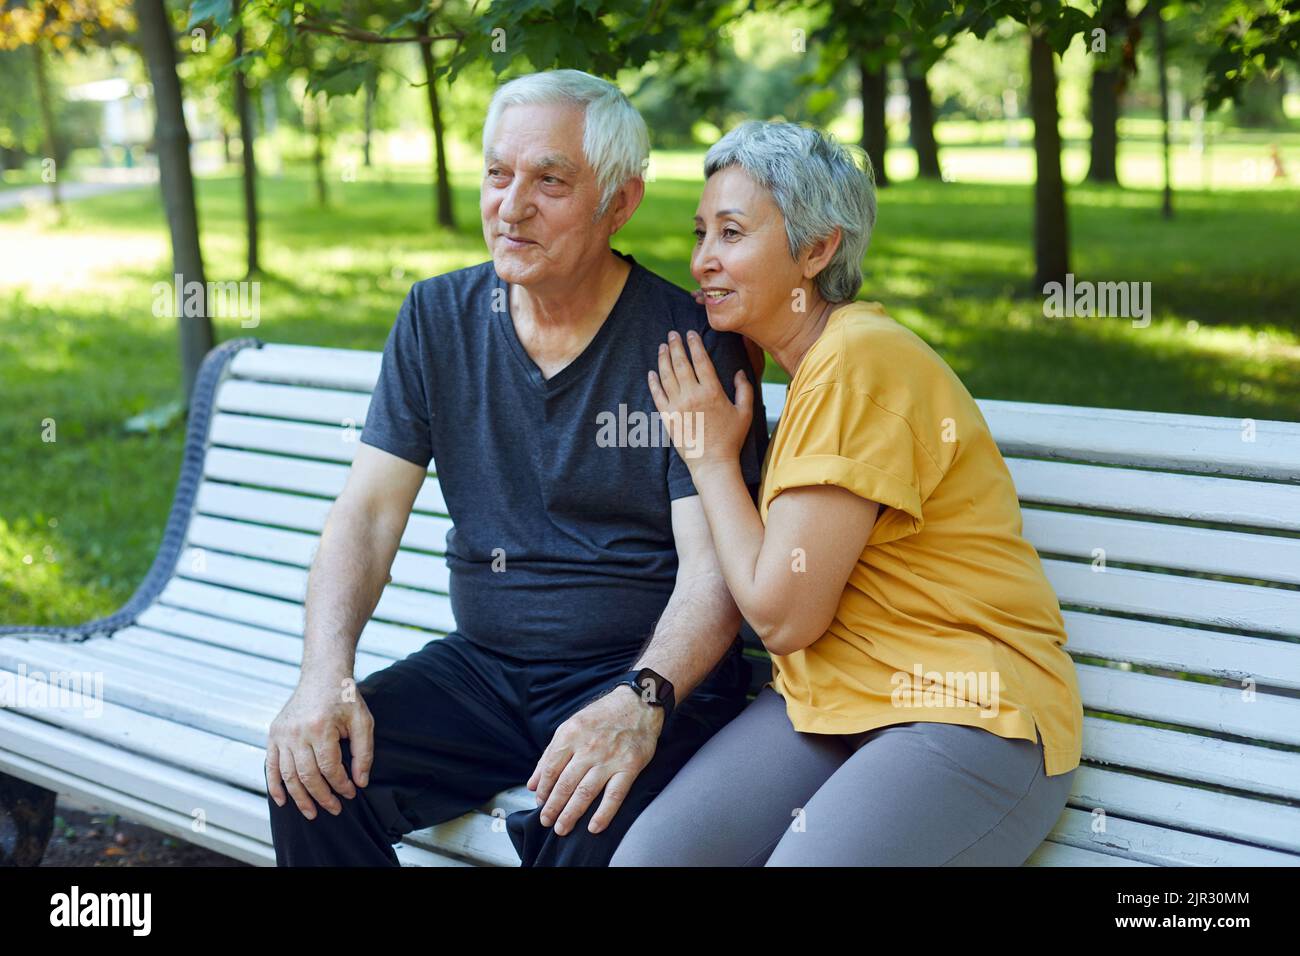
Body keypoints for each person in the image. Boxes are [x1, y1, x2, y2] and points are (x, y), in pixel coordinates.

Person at [263, 70, 768, 866]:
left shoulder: (688, 341)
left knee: (583, 829)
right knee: (313, 776)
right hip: (483, 672)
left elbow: (714, 569)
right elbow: (366, 514)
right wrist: (325, 676)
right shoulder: (437, 318)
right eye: (497, 174)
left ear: (621, 202)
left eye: (551, 181)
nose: (512, 204)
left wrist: (642, 699)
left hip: (644, 673)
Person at [611, 120, 1084, 866]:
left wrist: (707, 458)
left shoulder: (859, 361)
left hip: (966, 717)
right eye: (701, 232)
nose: (703, 260)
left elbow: (781, 613)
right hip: (830, 703)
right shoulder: (813, 367)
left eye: (732, 233)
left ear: (818, 248)